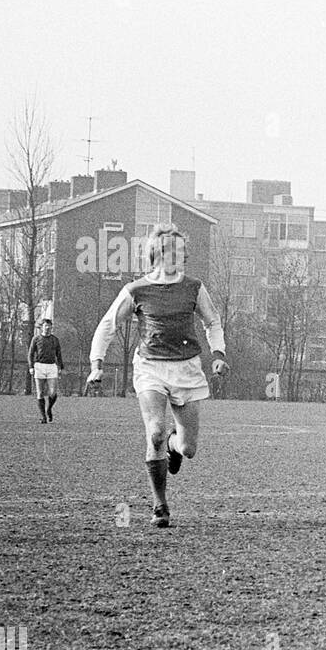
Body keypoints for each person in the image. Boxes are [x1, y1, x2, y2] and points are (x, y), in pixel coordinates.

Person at [86, 224, 229, 528]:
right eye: (168, 249)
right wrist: (96, 364)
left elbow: (212, 322)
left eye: (179, 250)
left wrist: (218, 355)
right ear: (156, 253)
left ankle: (174, 446)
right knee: (154, 432)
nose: (174, 255)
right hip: (150, 367)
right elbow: (107, 325)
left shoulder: (194, 287)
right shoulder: (136, 290)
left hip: (187, 368)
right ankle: (159, 505)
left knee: (189, 448)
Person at [27, 318, 64, 423]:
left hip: (51, 366)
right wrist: (31, 367)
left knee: (52, 392)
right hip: (39, 366)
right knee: (40, 393)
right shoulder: (36, 339)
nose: (47, 328)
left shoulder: (55, 340)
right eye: (45, 326)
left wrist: (60, 367)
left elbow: (59, 354)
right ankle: (43, 417)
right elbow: (30, 354)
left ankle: (49, 409)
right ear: (41, 327)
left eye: (49, 326)